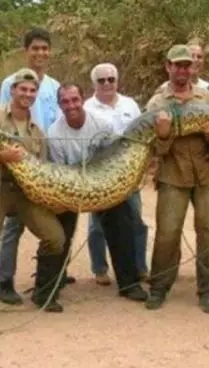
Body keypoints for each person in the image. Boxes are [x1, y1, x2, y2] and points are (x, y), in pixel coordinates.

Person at [0, 68, 68, 313]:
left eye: (32, 90)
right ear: (12, 90)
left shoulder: (37, 132)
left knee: (55, 238)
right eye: (23, 89)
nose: (27, 94)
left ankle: (43, 294)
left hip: (25, 194)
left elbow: (42, 169)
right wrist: (1, 156)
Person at [48, 82, 149, 302]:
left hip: (102, 184)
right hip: (71, 186)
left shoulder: (101, 124)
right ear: (59, 105)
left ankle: (129, 283)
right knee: (59, 227)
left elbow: (113, 159)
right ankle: (51, 284)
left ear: (82, 100)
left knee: (122, 220)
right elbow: (60, 171)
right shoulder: (54, 133)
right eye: (65, 101)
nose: (71, 105)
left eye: (74, 100)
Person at [144, 45, 209, 312]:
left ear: (194, 68)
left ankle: (208, 289)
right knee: (167, 233)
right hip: (172, 175)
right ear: (168, 66)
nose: (182, 70)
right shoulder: (157, 102)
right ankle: (158, 287)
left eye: (187, 65)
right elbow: (153, 148)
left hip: (206, 174)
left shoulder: (207, 97)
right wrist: (164, 136)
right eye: (177, 65)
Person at [0, 28, 65, 306]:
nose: (40, 53)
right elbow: (3, 121)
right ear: (26, 51)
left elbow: (56, 124)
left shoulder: (54, 86)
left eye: (45, 48)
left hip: (46, 161)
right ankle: (4, 280)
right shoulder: (10, 82)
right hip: (17, 163)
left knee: (49, 222)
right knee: (14, 225)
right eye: (35, 48)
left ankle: (47, 279)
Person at [83, 62, 149, 285]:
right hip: (100, 174)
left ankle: (140, 267)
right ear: (94, 83)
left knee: (136, 220)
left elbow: (142, 136)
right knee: (97, 224)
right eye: (101, 80)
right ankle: (100, 268)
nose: (107, 83)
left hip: (129, 173)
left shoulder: (130, 104)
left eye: (111, 79)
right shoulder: (87, 108)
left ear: (117, 80)